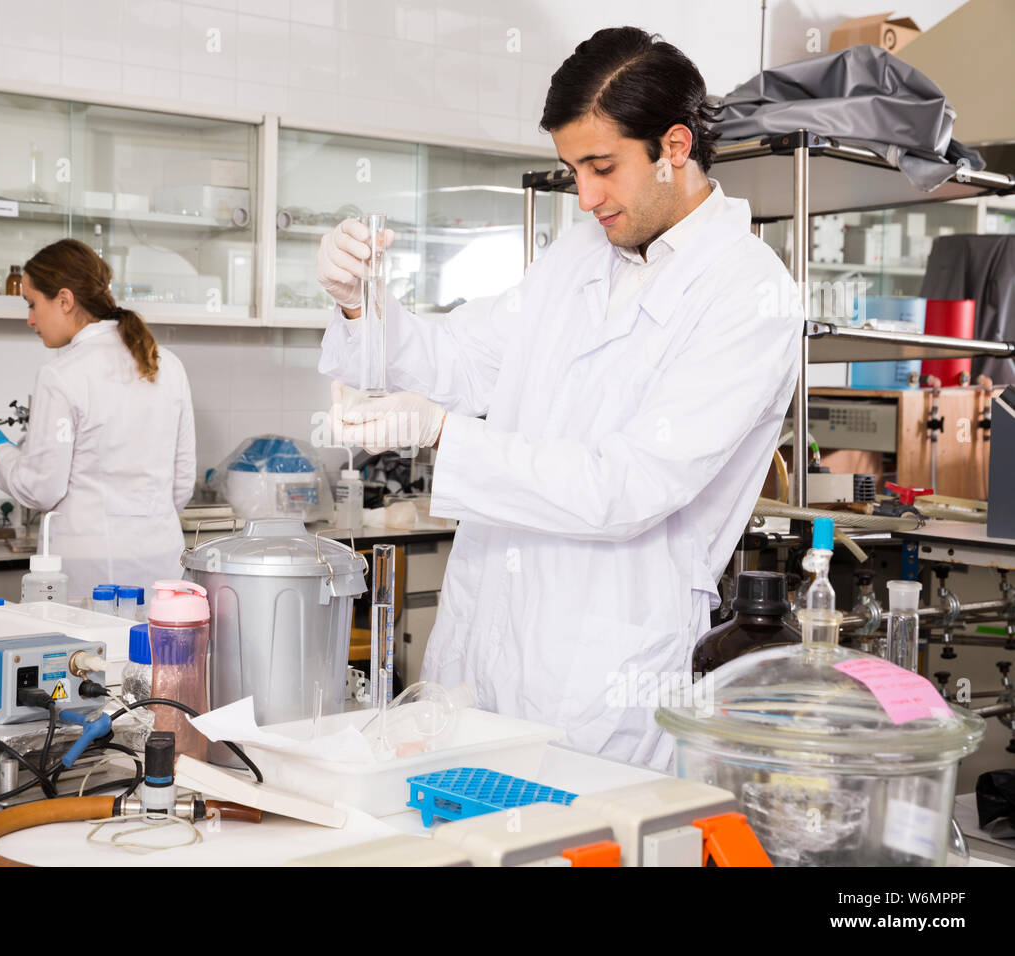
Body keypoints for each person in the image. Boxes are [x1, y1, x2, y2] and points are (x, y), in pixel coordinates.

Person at [315, 27, 801, 770]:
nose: (585, 196)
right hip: (482, 642)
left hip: (603, 666)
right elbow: (463, 358)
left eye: (601, 167)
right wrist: (360, 306)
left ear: (674, 146)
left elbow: (626, 487)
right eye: (572, 168)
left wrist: (446, 433)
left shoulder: (749, 293)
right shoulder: (580, 253)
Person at [0, 238, 196, 599]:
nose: (30, 319)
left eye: (32, 304)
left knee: (91, 657)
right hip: (163, 561)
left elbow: (40, 489)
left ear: (65, 300)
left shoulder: (62, 375)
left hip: (93, 574)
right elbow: (182, 484)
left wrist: (1, 450)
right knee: (158, 655)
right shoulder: (169, 364)